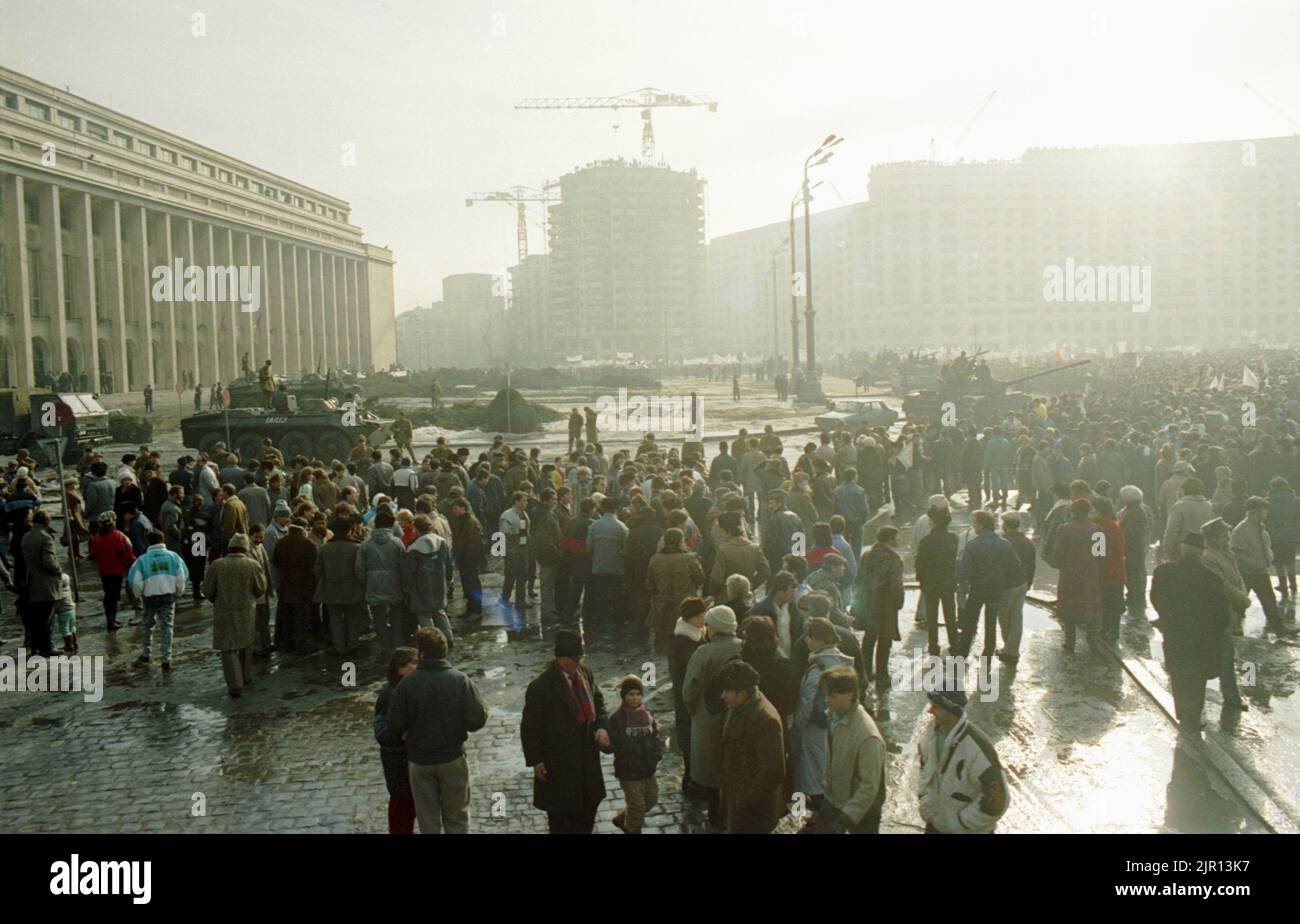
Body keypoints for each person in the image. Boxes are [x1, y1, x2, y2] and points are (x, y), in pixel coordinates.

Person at [387, 627, 488, 834]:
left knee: (428, 819)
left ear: (422, 653)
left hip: (420, 761)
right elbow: (476, 720)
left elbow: (395, 723)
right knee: (457, 817)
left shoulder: (407, 684)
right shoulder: (460, 680)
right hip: (452, 757)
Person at [520, 629, 610, 834]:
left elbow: (599, 702)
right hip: (559, 766)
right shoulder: (541, 687)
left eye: (581, 657)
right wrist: (536, 760)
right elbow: (530, 727)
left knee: (587, 815)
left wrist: (602, 726)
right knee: (562, 822)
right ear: (559, 658)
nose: (579, 662)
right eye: (574, 658)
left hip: (587, 764)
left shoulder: (586, 674)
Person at [1150, 532, 1230, 736]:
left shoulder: (1163, 572)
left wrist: (1166, 617)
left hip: (1175, 631)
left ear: (1182, 549)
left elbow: (1156, 598)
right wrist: (1217, 632)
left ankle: (1181, 712)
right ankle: (1193, 717)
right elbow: (1221, 613)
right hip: (1201, 635)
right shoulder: (1212, 578)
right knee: (1197, 676)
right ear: (1201, 553)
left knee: (1178, 672)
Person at [681, 604, 744, 830]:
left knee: (711, 769)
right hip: (737, 715)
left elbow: (689, 689)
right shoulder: (743, 647)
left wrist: (691, 710)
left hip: (707, 718)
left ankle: (717, 818)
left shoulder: (704, 652)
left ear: (714, 628)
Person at [917, 689, 1009, 833]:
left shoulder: (977, 747)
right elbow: (924, 772)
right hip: (936, 826)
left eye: (936, 707)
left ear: (951, 711)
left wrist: (962, 823)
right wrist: (925, 802)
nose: (930, 711)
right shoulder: (930, 736)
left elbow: (998, 801)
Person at [717, 659, 786, 834]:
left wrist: (746, 802)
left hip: (754, 812)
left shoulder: (765, 719)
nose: (722, 695)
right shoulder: (737, 708)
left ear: (743, 694)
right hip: (738, 802)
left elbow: (773, 770)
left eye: (727, 691)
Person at [794, 616, 854, 810]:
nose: (805, 640)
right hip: (836, 723)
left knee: (814, 775)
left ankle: (820, 818)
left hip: (815, 728)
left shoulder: (817, 668)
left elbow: (807, 703)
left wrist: (797, 727)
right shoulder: (843, 662)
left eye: (809, 636)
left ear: (819, 640)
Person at [816, 667, 886, 834]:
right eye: (825, 695)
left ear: (849, 695)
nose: (827, 700)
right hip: (834, 800)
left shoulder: (868, 737)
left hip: (863, 810)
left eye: (832, 696)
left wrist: (848, 816)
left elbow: (869, 786)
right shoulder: (833, 716)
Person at [202, 532, 268, 698]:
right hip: (246, 609)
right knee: (246, 642)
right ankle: (246, 677)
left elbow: (207, 590)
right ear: (245, 549)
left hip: (223, 611)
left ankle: (235, 685)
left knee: (228, 647)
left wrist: (216, 600)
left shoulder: (217, 565)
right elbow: (261, 587)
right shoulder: (252, 565)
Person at [1198, 518, 1251, 714]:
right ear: (1212, 538)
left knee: (1227, 654)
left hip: (1233, 609)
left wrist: (1243, 595)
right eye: (1224, 536)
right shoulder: (1209, 558)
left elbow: (1238, 578)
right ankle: (1230, 697)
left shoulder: (1227, 554)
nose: (1228, 538)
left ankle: (1231, 694)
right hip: (1221, 611)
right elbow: (1222, 585)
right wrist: (1242, 599)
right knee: (1224, 655)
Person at [602, 675, 663, 834]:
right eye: (630, 694)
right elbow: (610, 744)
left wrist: (656, 754)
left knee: (651, 799)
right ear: (624, 696)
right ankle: (632, 829)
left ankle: (623, 819)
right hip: (629, 770)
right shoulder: (617, 718)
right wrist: (606, 744)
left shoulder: (647, 715)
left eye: (637, 694)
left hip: (647, 768)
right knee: (637, 806)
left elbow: (655, 735)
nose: (634, 698)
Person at [854, 525, 905, 715]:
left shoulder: (867, 555)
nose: (897, 541)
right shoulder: (893, 559)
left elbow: (859, 578)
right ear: (890, 538)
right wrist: (899, 602)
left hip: (868, 602)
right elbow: (896, 585)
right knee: (885, 639)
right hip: (885, 603)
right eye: (895, 537)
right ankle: (882, 674)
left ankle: (865, 671)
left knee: (869, 637)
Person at [127, 528, 189, 671]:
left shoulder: (142, 560)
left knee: (148, 625)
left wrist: (139, 594)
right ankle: (166, 659)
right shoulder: (174, 557)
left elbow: (135, 582)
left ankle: (146, 653)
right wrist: (178, 593)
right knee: (167, 626)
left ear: (148, 542)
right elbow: (182, 577)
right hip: (168, 596)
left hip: (149, 598)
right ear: (163, 540)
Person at [1231, 496, 1291, 636]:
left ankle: (1279, 628)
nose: (1266, 513)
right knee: (1241, 602)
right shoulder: (1242, 529)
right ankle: (1233, 626)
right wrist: (1256, 564)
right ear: (1255, 512)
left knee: (1269, 600)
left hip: (1260, 570)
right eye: (1264, 511)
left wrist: (1268, 559)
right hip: (1247, 572)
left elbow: (1266, 547)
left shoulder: (1260, 527)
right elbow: (1238, 553)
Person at [374, 647, 419, 834]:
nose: (418, 666)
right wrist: (402, 735)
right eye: (413, 663)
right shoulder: (390, 693)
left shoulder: (413, 687)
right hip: (398, 762)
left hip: (410, 760)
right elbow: (381, 731)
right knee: (402, 811)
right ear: (399, 668)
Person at [1049, 499, 1102, 654]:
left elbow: (1058, 553)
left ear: (1072, 511)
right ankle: (1093, 642)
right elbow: (1101, 554)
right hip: (1090, 573)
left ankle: (1070, 641)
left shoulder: (1064, 529)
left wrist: (1058, 563)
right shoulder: (1098, 529)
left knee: (1069, 605)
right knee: (1091, 604)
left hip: (1070, 573)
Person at [669, 596, 710, 790]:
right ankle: (690, 781)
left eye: (704, 615)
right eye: (699, 616)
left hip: (693, 695)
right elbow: (686, 672)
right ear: (688, 618)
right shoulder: (683, 641)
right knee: (688, 737)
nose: (703, 620)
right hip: (686, 696)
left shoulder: (697, 633)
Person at [314, 513, 367, 655]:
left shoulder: (324, 548)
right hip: (353, 588)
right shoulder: (357, 548)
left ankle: (339, 645)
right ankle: (353, 643)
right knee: (353, 617)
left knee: (335, 619)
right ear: (350, 530)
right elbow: (361, 569)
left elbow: (317, 570)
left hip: (331, 589)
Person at [646, 527, 706, 654]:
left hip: (662, 607)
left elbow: (650, 585)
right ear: (680, 542)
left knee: (663, 644)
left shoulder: (655, 558)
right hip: (685, 607)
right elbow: (700, 579)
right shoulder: (689, 558)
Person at [402, 514, 455, 648]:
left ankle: (431, 645)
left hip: (420, 587)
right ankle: (448, 640)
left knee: (424, 616)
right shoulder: (441, 542)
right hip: (439, 583)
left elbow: (409, 572)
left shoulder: (413, 548)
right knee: (440, 612)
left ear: (417, 529)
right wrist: (449, 580)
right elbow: (449, 565)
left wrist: (407, 588)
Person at [356, 507, 406, 651]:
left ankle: (385, 643)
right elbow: (404, 565)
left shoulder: (365, 545)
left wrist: (366, 581)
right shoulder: (397, 543)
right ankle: (398, 642)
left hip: (374, 583)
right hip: (394, 581)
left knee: (378, 616)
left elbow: (359, 568)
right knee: (396, 614)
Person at [915, 507, 958, 656]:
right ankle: (954, 644)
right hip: (948, 582)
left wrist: (922, 581)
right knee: (950, 615)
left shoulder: (927, 541)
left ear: (933, 522)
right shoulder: (953, 538)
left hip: (931, 584)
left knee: (932, 616)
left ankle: (934, 646)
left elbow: (920, 563)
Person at [19, 510, 62, 657]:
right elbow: (49, 562)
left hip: (32, 582)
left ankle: (36, 646)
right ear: (46, 522)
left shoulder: (26, 537)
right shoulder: (46, 538)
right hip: (46, 584)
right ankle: (47, 646)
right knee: (47, 618)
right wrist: (59, 570)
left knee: (37, 618)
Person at [997, 513, 1036, 664]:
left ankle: (1009, 648)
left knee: (1004, 617)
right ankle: (1013, 648)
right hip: (1022, 583)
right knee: (1017, 617)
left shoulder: (1003, 542)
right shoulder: (1027, 542)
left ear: (1004, 525)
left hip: (1007, 585)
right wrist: (1029, 582)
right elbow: (1032, 565)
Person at [89, 510, 135, 631]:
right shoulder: (118, 536)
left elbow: (93, 553)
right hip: (117, 571)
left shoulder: (97, 538)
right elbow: (126, 553)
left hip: (104, 571)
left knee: (108, 595)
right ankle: (111, 621)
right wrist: (133, 563)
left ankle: (110, 619)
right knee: (113, 597)